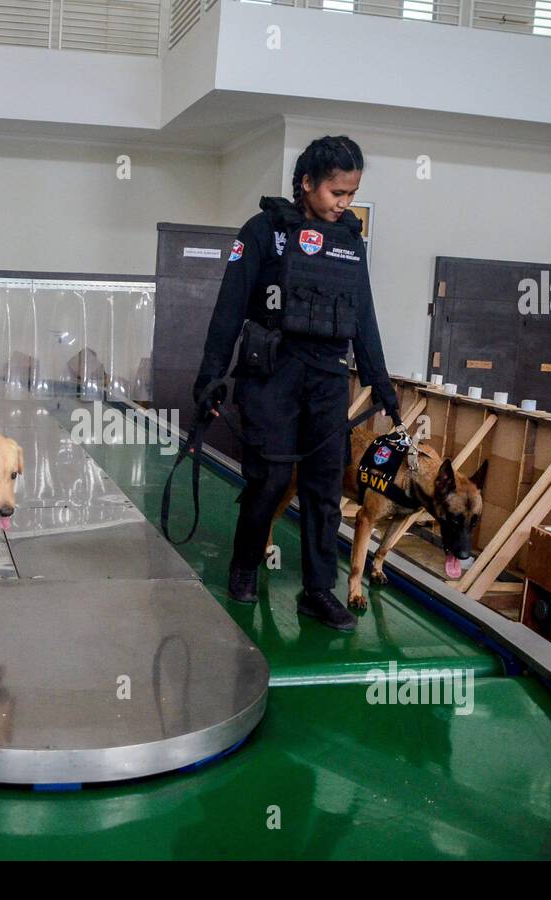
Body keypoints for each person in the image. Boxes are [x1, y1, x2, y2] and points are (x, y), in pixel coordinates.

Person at [191, 135, 402, 631]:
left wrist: (381, 383)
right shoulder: (264, 231)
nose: (344, 204)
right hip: (273, 378)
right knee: (267, 483)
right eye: (336, 193)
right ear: (306, 183)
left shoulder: (350, 241)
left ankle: (316, 591)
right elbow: (228, 311)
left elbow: (364, 316)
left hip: (328, 381)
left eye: (351, 194)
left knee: (325, 490)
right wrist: (210, 377)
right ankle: (243, 567)